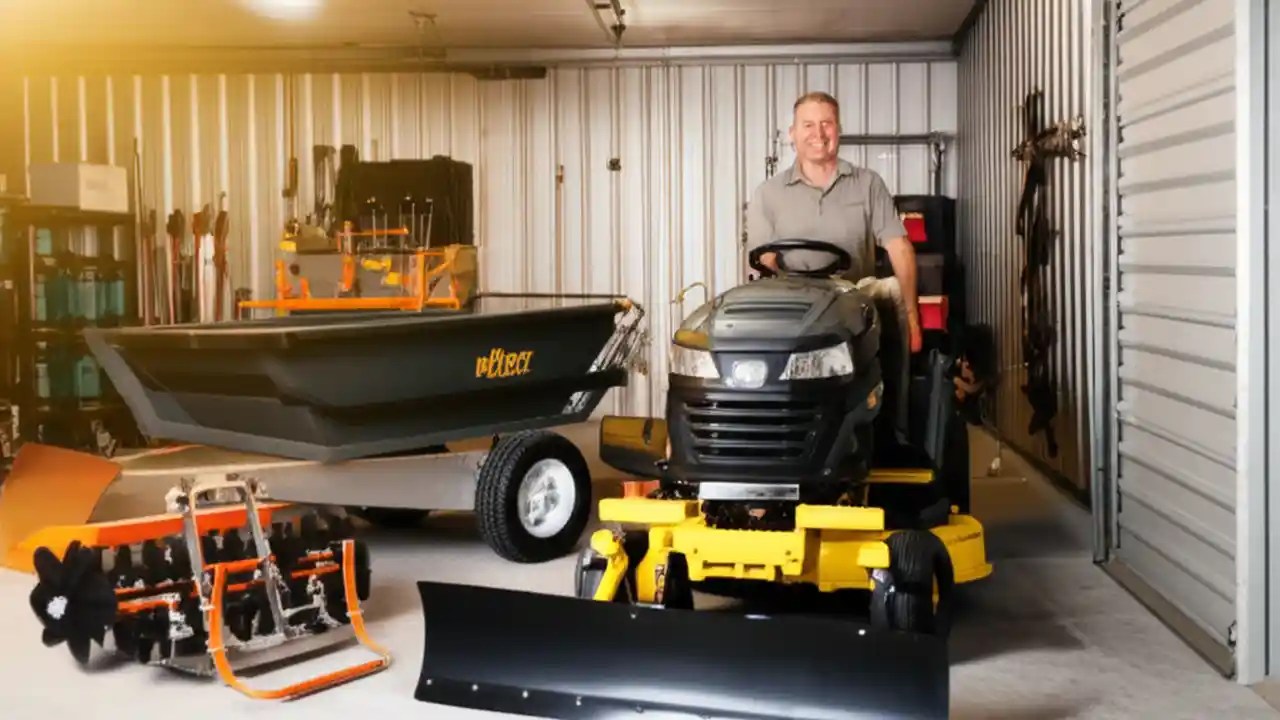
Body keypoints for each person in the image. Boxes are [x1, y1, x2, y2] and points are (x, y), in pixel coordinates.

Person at [745, 90, 922, 445]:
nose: (818, 133)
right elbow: (763, 257)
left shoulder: (867, 183)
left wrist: (914, 317)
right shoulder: (768, 193)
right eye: (808, 124)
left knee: (887, 293)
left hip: (854, 296)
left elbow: (899, 246)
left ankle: (893, 429)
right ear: (792, 133)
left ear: (838, 130)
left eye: (826, 123)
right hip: (792, 300)